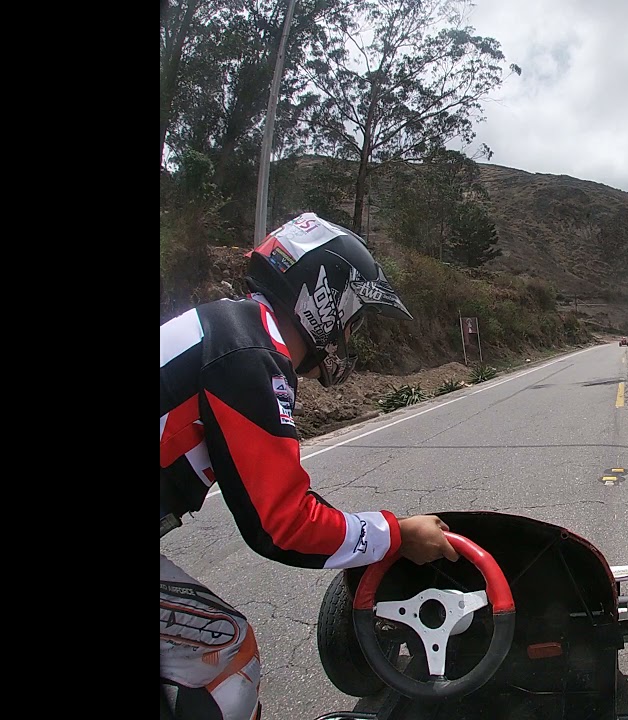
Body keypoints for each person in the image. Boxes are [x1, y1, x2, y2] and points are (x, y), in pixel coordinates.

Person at [160, 213, 460, 719]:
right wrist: (397, 534)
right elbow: (283, 524)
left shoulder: (229, 330)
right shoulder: (250, 353)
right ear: (324, 297)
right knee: (225, 653)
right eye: (352, 317)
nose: (348, 333)